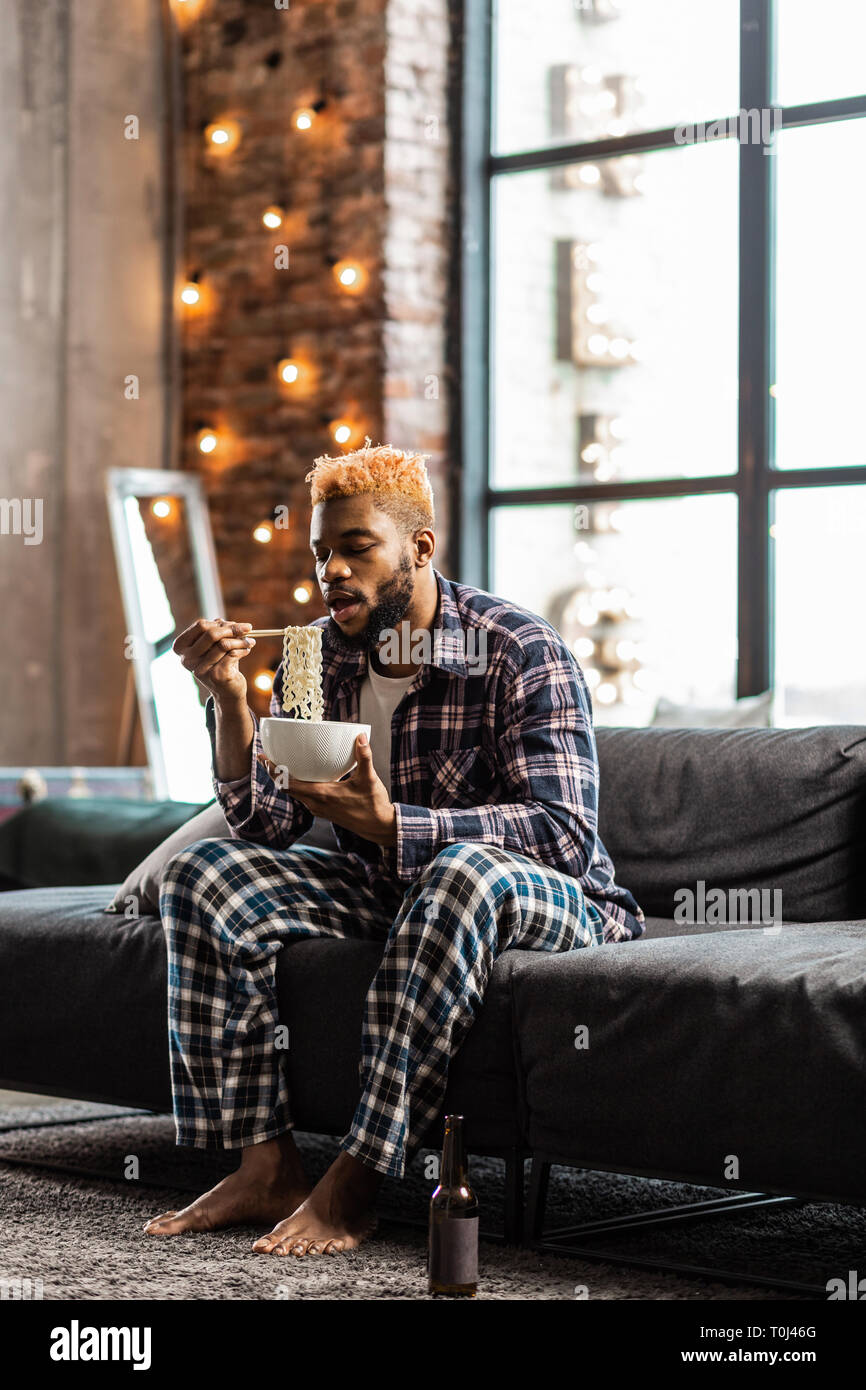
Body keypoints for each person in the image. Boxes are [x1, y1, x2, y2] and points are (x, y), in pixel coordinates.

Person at [144, 441, 644, 1256]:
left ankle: (358, 1180)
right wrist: (228, 700)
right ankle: (265, 1164)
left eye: (355, 548)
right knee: (203, 874)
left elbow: (562, 833)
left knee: (459, 870)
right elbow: (264, 823)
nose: (330, 571)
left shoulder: (518, 648)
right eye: (320, 553)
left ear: (419, 548)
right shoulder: (321, 651)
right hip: (392, 891)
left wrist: (395, 827)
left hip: (553, 899)